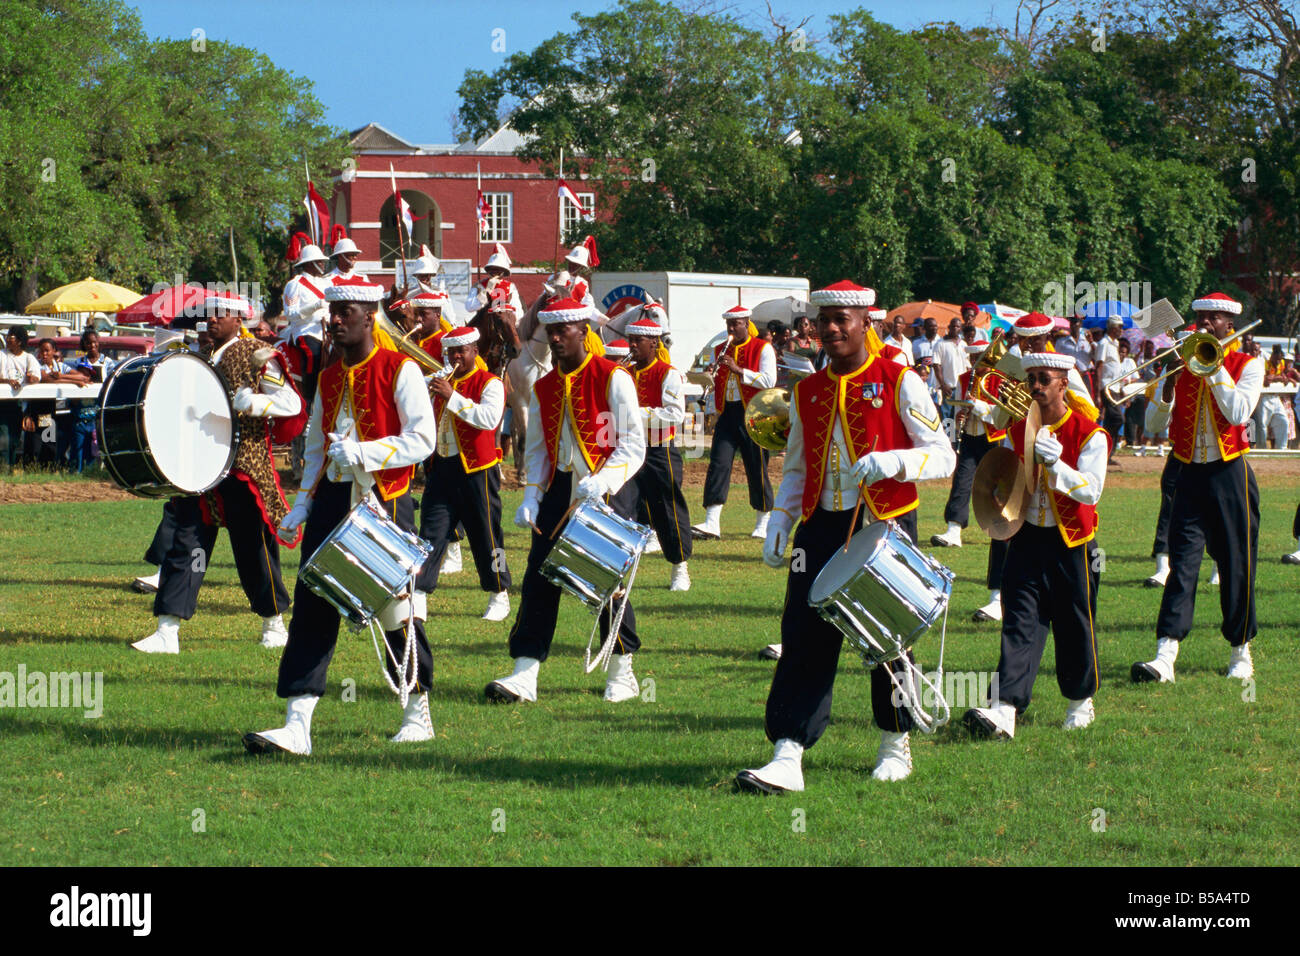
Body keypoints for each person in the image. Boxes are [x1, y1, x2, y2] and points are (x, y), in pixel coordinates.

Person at [736, 280, 955, 793]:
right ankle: (788, 751)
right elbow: (795, 468)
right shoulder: (806, 391)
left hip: (884, 520)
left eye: (843, 321)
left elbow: (943, 454)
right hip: (819, 525)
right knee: (803, 634)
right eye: (824, 320)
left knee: (888, 635)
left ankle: (895, 741)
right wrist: (781, 520)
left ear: (866, 325)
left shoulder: (900, 380)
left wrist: (895, 462)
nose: (832, 329)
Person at [245, 276, 438, 755]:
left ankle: (417, 711)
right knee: (312, 607)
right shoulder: (329, 377)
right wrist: (304, 502)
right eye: (332, 311)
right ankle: (297, 724)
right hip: (331, 501)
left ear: (369, 315)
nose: (334, 320)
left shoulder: (401, 370)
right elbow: (314, 447)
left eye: (345, 311)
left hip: (384, 500)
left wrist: (367, 453)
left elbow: (423, 439)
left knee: (395, 609)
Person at [484, 295, 646, 705]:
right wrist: (531, 498)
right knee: (538, 579)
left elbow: (633, 446)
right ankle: (525, 672)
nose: (555, 338)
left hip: (607, 491)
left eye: (563, 331)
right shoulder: (544, 386)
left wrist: (604, 479)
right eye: (550, 331)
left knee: (607, 582)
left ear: (582, 332)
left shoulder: (613, 377)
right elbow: (537, 449)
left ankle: (622, 671)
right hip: (558, 490)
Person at [132, 296, 301, 655]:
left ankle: (273, 623)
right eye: (208, 315)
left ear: (239, 319)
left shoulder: (258, 353)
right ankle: (168, 629)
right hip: (201, 468)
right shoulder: (201, 358)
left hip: (243, 469)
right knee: (187, 545)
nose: (212, 321)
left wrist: (256, 403)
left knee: (253, 549)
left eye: (220, 315)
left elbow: (292, 403)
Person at [963, 351, 1107, 738]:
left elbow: (1091, 492)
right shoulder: (1016, 429)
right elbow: (1004, 476)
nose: (1037, 387)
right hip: (1026, 537)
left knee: (1074, 623)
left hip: (1072, 543)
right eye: (1032, 381)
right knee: (1019, 621)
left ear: (1064, 382)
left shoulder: (1089, 434)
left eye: (1045, 379)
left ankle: (1080, 701)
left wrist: (1058, 465)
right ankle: (1006, 708)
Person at [1133, 292, 1262, 685]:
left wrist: (1213, 365)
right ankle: (1165, 655)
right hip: (1188, 471)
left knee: (1235, 565)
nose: (1205, 324)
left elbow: (1238, 413)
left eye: (1214, 318)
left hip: (1230, 473)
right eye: (1201, 317)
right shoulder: (1179, 363)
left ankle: (1241, 651)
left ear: (1229, 325)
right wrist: (1169, 384)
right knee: (1182, 565)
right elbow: (1154, 425)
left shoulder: (1248, 364)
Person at [419, 325, 513, 622]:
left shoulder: (490, 383)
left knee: (487, 535)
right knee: (430, 534)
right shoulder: (439, 381)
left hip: (478, 471)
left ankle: (499, 592)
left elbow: (488, 419)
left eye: (462, 351)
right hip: (442, 467)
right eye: (451, 352)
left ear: (475, 351)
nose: (456, 357)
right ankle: (419, 592)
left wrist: (452, 396)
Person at [615, 315, 692, 591]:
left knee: (667, 509)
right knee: (621, 506)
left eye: (638, 341)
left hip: (659, 451)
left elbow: (675, 414)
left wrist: (636, 415)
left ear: (654, 343)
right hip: (628, 448)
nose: (632, 345)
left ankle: (679, 567)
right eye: (631, 340)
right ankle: (616, 570)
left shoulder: (668, 373)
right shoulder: (624, 372)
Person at [691, 305, 776, 541]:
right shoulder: (720, 349)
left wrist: (739, 370)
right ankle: (711, 522)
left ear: (746, 323)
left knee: (756, 466)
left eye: (735, 324)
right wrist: (710, 375)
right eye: (728, 324)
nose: (731, 329)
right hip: (727, 413)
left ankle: (763, 521)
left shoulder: (763, 348)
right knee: (718, 464)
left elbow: (769, 381)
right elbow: (715, 383)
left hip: (754, 413)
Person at [931, 330, 1006, 548]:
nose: (975, 362)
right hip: (970, 438)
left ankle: (1003, 529)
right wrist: (957, 430)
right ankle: (953, 531)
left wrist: (978, 407)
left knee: (996, 486)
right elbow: (955, 410)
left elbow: (1001, 414)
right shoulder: (963, 379)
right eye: (973, 358)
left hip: (993, 439)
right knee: (962, 482)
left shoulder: (998, 379)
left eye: (979, 358)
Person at [0, 328, 42, 467]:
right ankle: (3, 470)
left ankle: (10, 470)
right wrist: (8, 381)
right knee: (3, 440)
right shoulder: (2, 355)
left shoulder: (28, 358)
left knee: (14, 440)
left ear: (19, 340)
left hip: (18, 405)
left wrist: (32, 378)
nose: (7, 339)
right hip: (2, 404)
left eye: (11, 336)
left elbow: (36, 376)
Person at [1094, 316, 1126, 460]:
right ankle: (1105, 448)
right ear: (1113, 327)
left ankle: (1105, 454)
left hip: (1115, 387)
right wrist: (1098, 392)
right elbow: (1099, 366)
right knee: (1118, 418)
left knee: (1110, 420)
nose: (1121, 330)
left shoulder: (1116, 343)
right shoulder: (1103, 343)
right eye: (1120, 327)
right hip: (1106, 387)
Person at [465, 244, 525, 317]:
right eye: (492, 269)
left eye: (498, 270)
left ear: (504, 272)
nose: (495, 272)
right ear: (488, 270)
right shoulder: (479, 286)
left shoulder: (510, 287)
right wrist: (487, 289)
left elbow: (518, 313)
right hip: (483, 324)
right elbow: (470, 307)